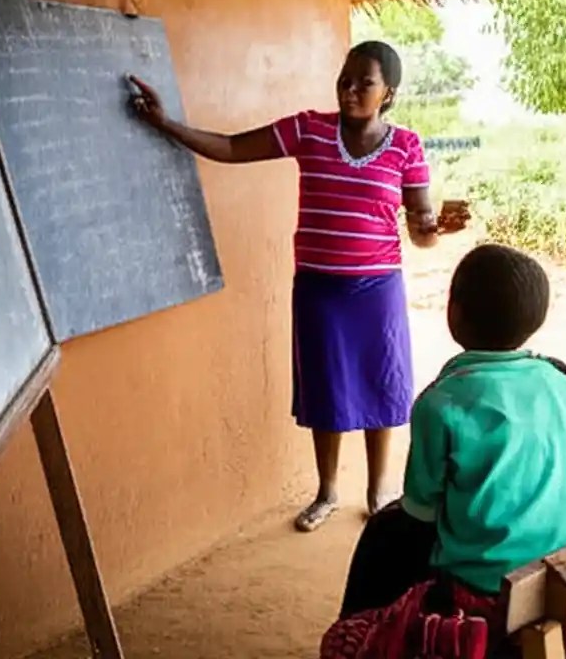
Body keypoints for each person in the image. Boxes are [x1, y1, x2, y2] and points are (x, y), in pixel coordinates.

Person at [129, 41, 469, 532]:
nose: (350, 90)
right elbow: (230, 148)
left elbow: (420, 232)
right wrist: (165, 124)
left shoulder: (406, 147)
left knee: (380, 383)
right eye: (345, 79)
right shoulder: (308, 129)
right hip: (319, 288)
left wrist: (438, 229)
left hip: (377, 289)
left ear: (388, 93)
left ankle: (378, 490)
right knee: (327, 388)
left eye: (364, 83)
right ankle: (327, 491)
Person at [322, 244, 566, 659]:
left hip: (485, 590)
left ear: (454, 313)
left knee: (382, 534)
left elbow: (420, 514)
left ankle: (366, 635)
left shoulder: (442, 403)